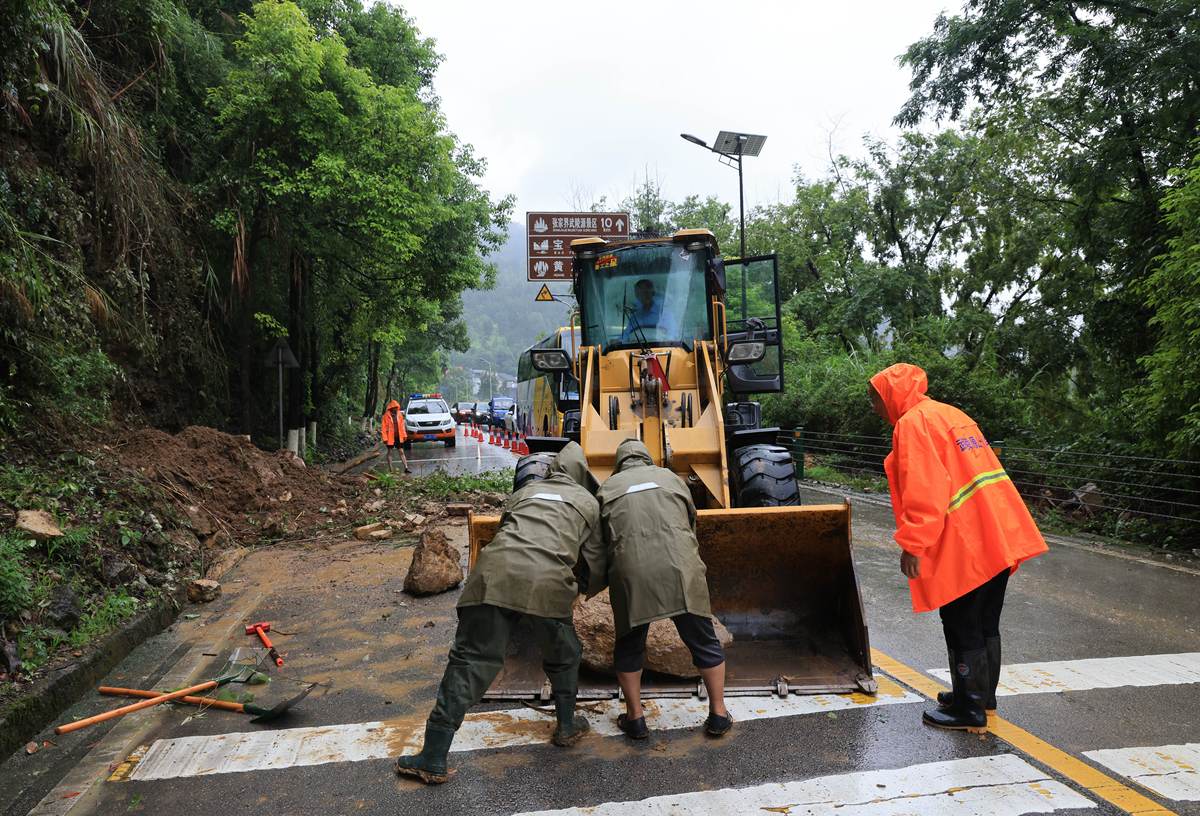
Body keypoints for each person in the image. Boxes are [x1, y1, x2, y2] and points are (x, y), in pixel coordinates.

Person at [395, 443, 604, 784]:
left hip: (493, 577)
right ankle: (567, 725)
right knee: (564, 652)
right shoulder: (588, 503)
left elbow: (506, 531)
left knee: (468, 662)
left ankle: (433, 754)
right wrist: (584, 589)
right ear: (582, 475)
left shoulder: (526, 493)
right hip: (548, 582)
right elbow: (595, 560)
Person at [868, 363, 1048, 733]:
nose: (874, 408)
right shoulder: (951, 414)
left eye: (875, 398)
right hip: (997, 534)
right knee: (986, 622)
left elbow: (925, 489)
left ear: (892, 395)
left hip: (965, 541)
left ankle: (968, 708)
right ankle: (982, 694)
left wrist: (913, 545)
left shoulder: (914, 424)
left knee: (961, 622)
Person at [595, 438, 731, 740]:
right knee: (704, 641)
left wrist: (589, 583)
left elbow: (599, 545)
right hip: (682, 570)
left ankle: (636, 719)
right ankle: (719, 714)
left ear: (619, 464)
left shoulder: (607, 489)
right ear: (647, 459)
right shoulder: (672, 479)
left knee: (630, 647)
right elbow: (691, 522)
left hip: (633, 574)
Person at [619, 278, 663, 343]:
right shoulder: (635, 317)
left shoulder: (664, 314)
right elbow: (625, 336)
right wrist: (617, 341)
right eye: (641, 293)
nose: (645, 295)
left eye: (647, 292)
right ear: (637, 296)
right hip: (637, 351)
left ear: (653, 293)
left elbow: (672, 338)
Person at [380, 399, 411, 473]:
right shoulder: (386, 416)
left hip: (398, 437)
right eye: (395, 407)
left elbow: (402, 426)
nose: (397, 409)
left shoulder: (399, 415)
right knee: (390, 452)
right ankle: (391, 469)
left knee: (401, 451)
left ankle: (406, 468)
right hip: (390, 437)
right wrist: (384, 438)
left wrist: (404, 435)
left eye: (397, 407)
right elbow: (383, 428)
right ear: (391, 408)